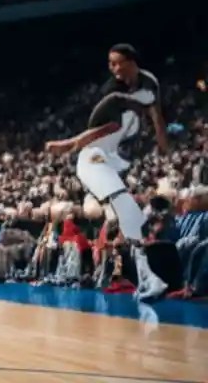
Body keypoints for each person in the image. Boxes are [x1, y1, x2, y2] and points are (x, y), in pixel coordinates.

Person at [45, 43, 170, 300]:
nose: (112, 68)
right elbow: (103, 129)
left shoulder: (149, 83)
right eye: (110, 64)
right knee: (126, 214)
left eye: (116, 63)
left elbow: (156, 113)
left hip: (121, 158)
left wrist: (162, 143)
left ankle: (147, 277)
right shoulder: (112, 93)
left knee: (126, 217)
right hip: (97, 154)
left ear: (132, 62)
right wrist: (72, 143)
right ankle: (149, 278)